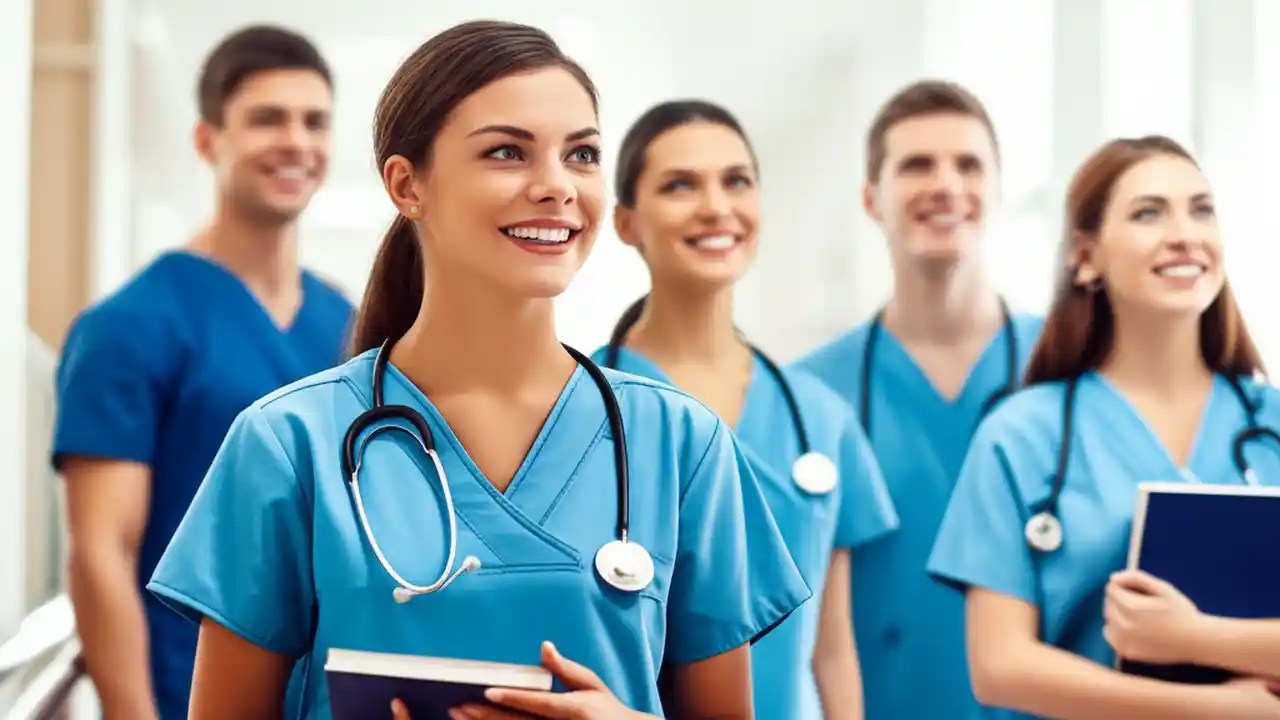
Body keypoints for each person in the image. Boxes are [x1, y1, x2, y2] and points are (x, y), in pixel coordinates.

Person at [145, 20, 810, 720]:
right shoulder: (288, 444)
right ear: (407, 186)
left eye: (581, 154)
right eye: (506, 153)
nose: (556, 186)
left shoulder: (679, 443)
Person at [52, 24, 352, 720]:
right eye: (266, 119)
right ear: (207, 140)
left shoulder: (346, 322)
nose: (296, 142)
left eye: (315, 122)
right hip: (187, 692)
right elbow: (101, 555)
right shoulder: (129, 326)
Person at [927, 135, 1280, 719]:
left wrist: (1193, 636)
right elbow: (1001, 669)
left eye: (1202, 209)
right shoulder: (1021, 436)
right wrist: (1222, 710)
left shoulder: (1268, 423)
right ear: (1085, 257)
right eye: (1148, 213)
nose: (1184, 234)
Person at [593, 99, 898, 719]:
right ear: (626, 222)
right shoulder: (581, 404)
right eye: (680, 185)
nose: (716, 206)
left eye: (737, 181)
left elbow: (831, 648)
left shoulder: (819, 418)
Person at [792, 80, 1044, 718]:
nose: (945, 185)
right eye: (916, 165)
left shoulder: (1067, 370)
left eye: (968, 164)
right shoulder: (808, 394)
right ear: (871, 198)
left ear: (998, 190)